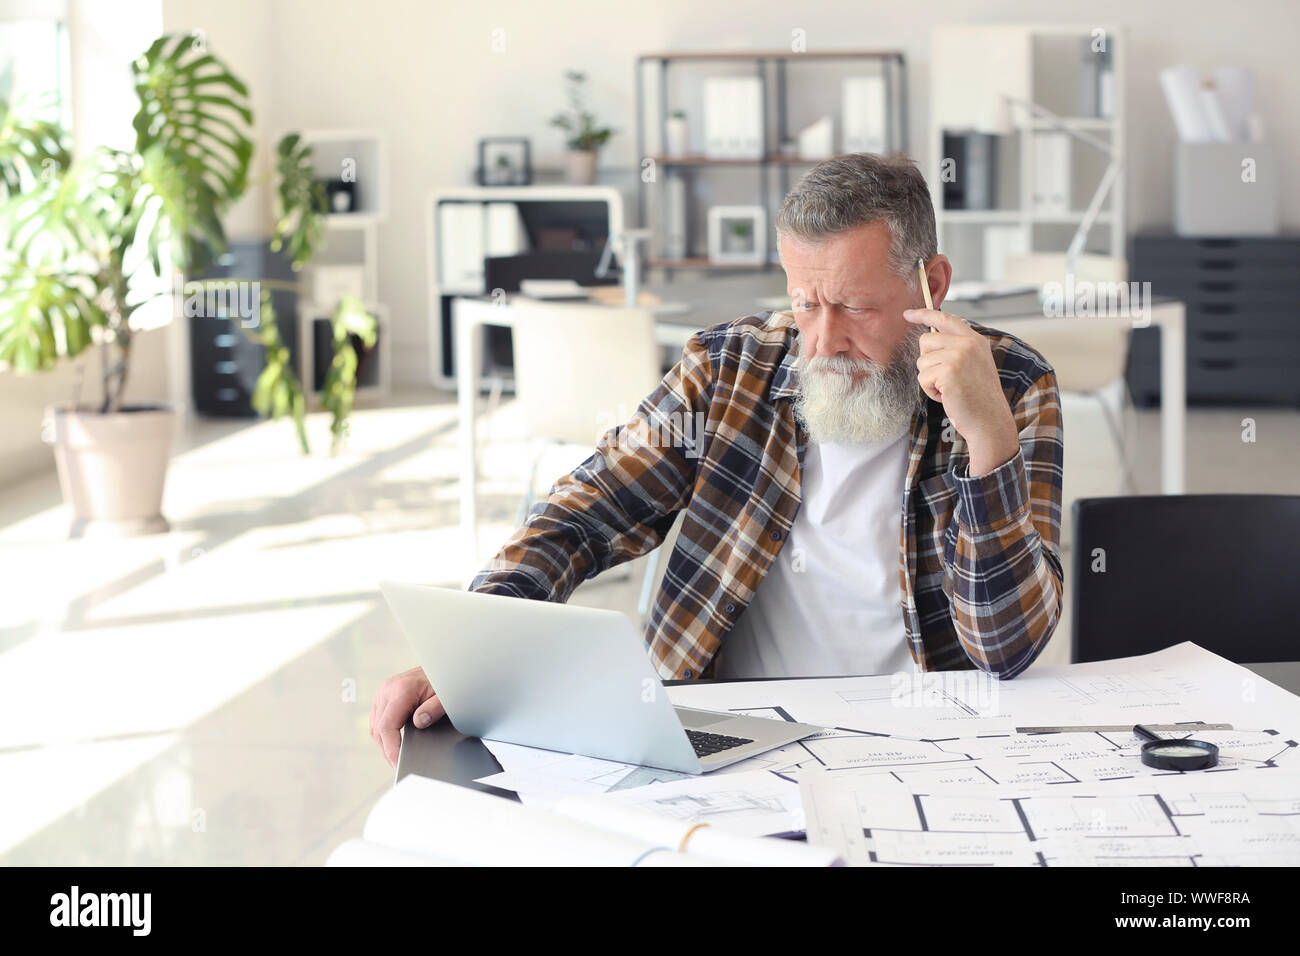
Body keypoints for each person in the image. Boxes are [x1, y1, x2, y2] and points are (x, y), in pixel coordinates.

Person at [371, 152, 1063, 766]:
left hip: (925, 742)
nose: (822, 341)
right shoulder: (729, 369)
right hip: (729, 735)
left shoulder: (1009, 386)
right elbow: (584, 515)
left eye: (854, 307)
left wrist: (988, 443)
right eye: (805, 303)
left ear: (931, 284)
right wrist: (470, 651)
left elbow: (1009, 649)